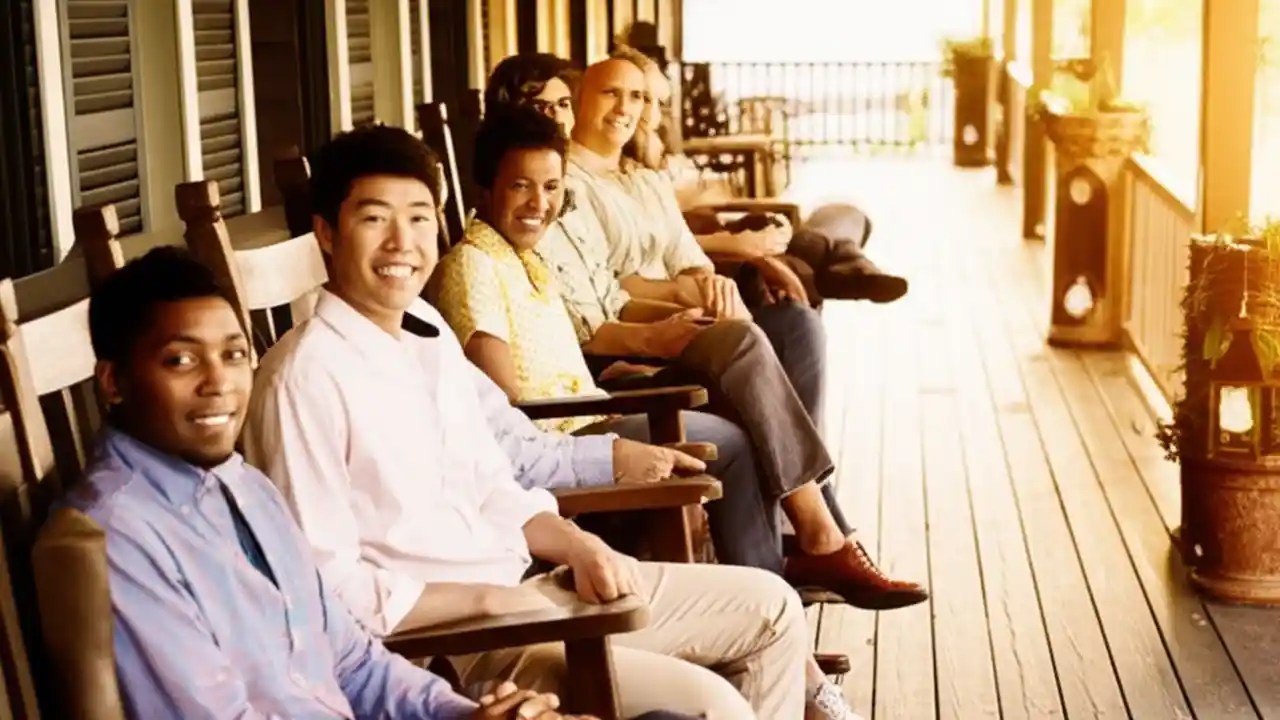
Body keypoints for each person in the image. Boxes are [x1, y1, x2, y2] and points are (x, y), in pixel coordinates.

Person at [243, 124, 857, 719]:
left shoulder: (424, 335)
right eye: (375, 219)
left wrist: (580, 544)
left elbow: (493, 481)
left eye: (420, 217)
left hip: (534, 591)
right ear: (327, 233)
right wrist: (492, 601)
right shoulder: (303, 380)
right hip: (457, 645)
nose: (402, 242)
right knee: (712, 704)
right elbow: (326, 588)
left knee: (774, 609)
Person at [481, 54, 929, 611]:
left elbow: (633, 280)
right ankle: (819, 532)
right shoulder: (549, 197)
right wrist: (670, 316)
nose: (555, 116)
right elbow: (584, 328)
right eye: (541, 106)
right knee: (745, 343)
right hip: (609, 366)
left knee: (795, 325)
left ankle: (808, 532)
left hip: (640, 331)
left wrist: (713, 283)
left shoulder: (602, 184)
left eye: (562, 104)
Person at [63, 246, 588, 720]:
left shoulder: (244, 487)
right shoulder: (118, 535)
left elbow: (355, 662)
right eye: (181, 360)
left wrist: (465, 715)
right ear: (113, 382)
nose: (218, 382)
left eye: (234, 354)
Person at [611, 45, 908, 306]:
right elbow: (658, 243)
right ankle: (849, 268)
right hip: (711, 260)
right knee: (830, 232)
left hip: (712, 233)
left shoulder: (646, 162)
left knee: (819, 226)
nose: (655, 114)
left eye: (658, 102)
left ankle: (851, 264)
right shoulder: (618, 174)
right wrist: (743, 249)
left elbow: (685, 214)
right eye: (644, 98)